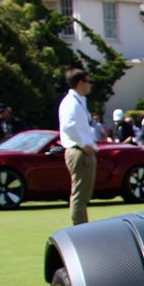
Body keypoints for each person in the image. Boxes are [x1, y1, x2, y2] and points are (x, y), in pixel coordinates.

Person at [57, 68, 98, 225]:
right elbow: (68, 126)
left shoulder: (79, 101)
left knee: (84, 195)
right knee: (80, 195)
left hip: (84, 150)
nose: (90, 85)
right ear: (80, 83)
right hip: (78, 151)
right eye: (88, 82)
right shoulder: (70, 103)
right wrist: (83, 145)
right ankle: (79, 229)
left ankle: (82, 226)